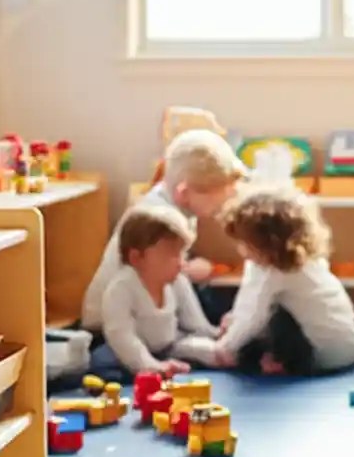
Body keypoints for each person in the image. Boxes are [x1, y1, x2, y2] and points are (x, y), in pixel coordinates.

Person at [213, 184, 354, 375]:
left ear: (267, 245)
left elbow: (252, 316)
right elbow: (248, 307)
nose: (240, 249)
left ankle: (280, 360)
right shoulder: (308, 261)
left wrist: (226, 347)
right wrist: (235, 318)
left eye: (245, 244)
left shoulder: (273, 274)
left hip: (318, 358)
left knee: (269, 324)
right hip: (344, 341)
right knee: (311, 311)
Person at [80, 128, 244, 336]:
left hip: (143, 302)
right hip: (112, 324)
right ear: (184, 193)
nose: (222, 204)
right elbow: (166, 276)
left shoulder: (175, 204)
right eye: (216, 200)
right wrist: (204, 328)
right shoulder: (157, 217)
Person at [89, 204, 220, 377]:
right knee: (101, 361)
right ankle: (151, 371)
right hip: (128, 351)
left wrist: (217, 334)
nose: (180, 263)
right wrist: (149, 365)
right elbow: (122, 336)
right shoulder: (121, 289)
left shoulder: (177, 281)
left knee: (210, 351)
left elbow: (195, 324)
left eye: (182, 254)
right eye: (171, 255)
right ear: (137, 258)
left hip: (170, 345)